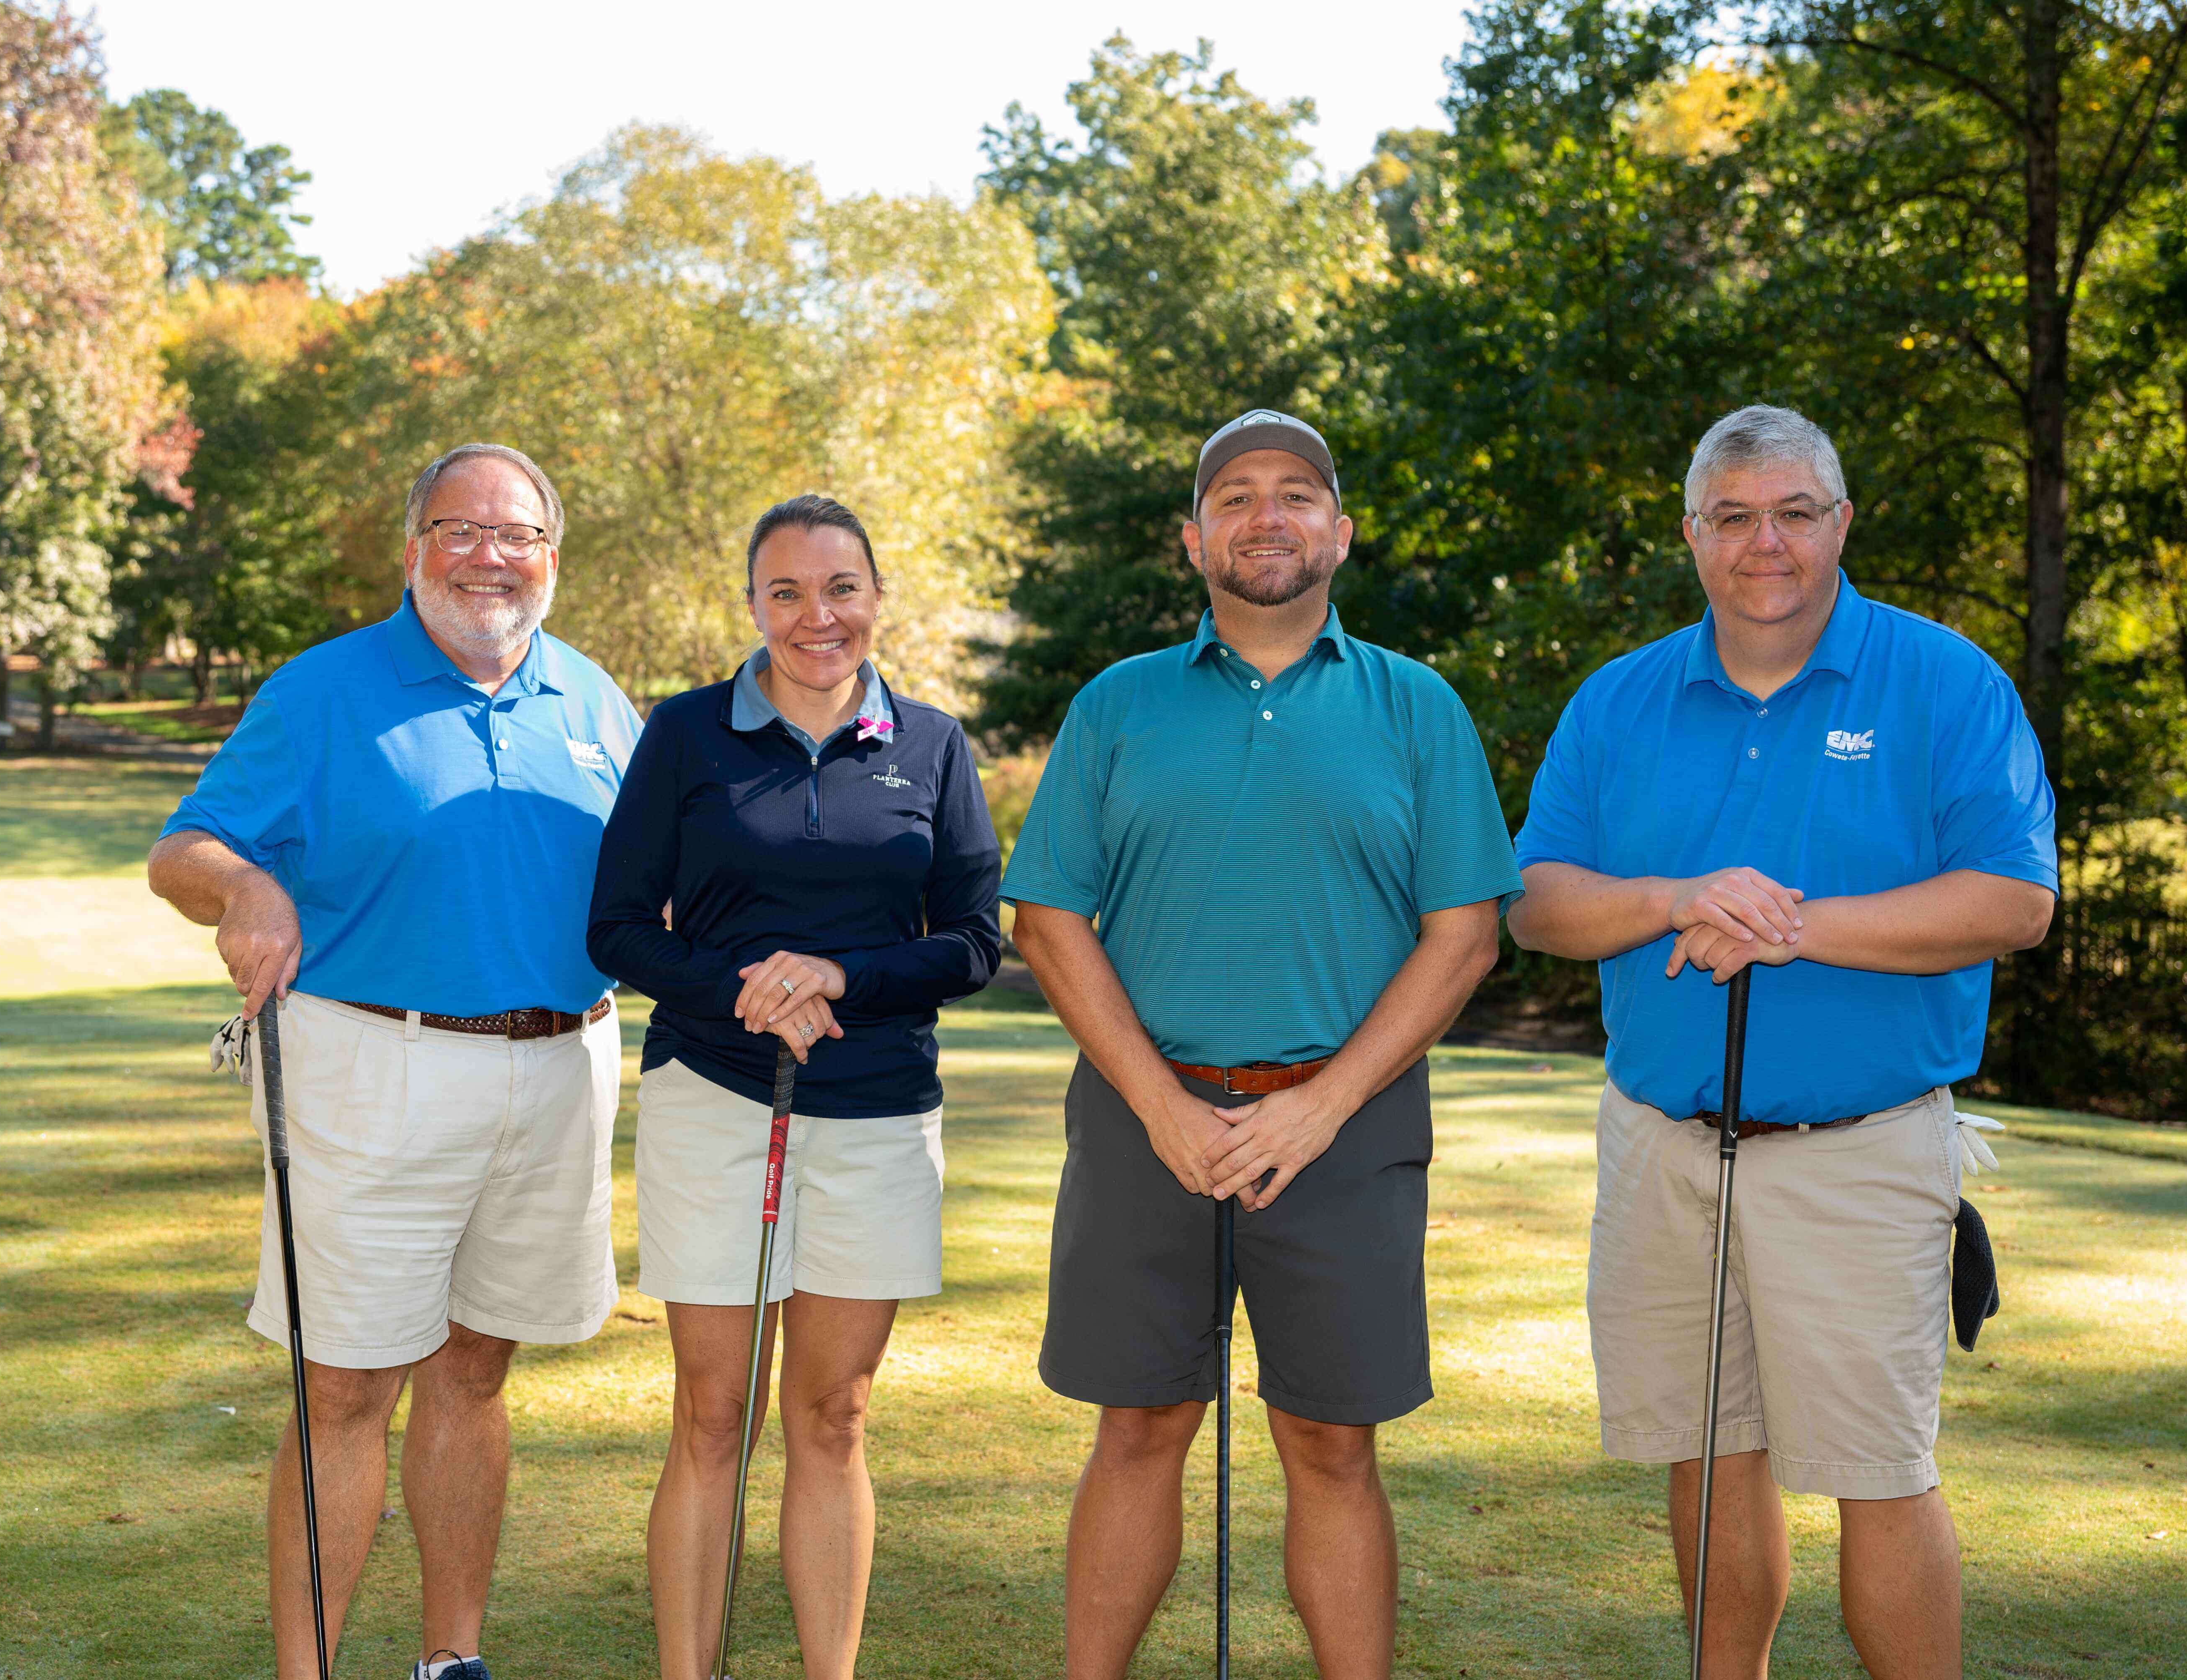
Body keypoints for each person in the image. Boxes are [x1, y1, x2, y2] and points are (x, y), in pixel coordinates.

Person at [1507, 405, 2057, 1680]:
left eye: (1796, 513)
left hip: (1860, 1152)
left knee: (1880, 1471)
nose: (1768, 543)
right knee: (1711, 1454)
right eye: (1736, 516)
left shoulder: (1942, 681)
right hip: (1663, 1144)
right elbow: (1535, 902)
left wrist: (1787, 925)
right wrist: (1677, 899)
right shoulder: (1620, 699)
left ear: (1842, 522)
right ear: (1693, 534)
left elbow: (2015, 901)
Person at [1002, 411, 1522, 1680]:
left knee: (1335, 1445)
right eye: (1235, 497)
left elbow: (1464, 937)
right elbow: (1049, 917)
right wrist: (1163, 1108)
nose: (1267, 516)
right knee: (1139, 1427)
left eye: (1297, 494)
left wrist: (1323, 1107)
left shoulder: (1419, 705)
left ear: (1340, 534)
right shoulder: (1119, 705)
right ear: (1194, 541)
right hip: (1145, 1120)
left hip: (1345, 1126)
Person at [149, 443, 643, 1680]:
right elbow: (183, 850)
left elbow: (664, 886)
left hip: (560, 1069)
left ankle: (449, 1661)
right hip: (371, 1067)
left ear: (552, 555)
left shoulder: (593, 699)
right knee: (347, 1389)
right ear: (414, 546)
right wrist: (248, 882)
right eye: (458, 528)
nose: (490, 554)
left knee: (477, 1372)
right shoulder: (324, 691)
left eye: (517, 532)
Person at [586, 493, 1001, 1680]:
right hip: (716, 1100)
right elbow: (617, 928)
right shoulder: (685, 735)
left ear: (876, 597)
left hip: (878, 1112)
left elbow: (975, 939)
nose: (817, 616)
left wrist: (844, 974)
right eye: (787, 592)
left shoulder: (932, 743)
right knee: (715, 1416)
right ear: (754, 605)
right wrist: (746, 988)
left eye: (841, 589)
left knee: (835, 1417)